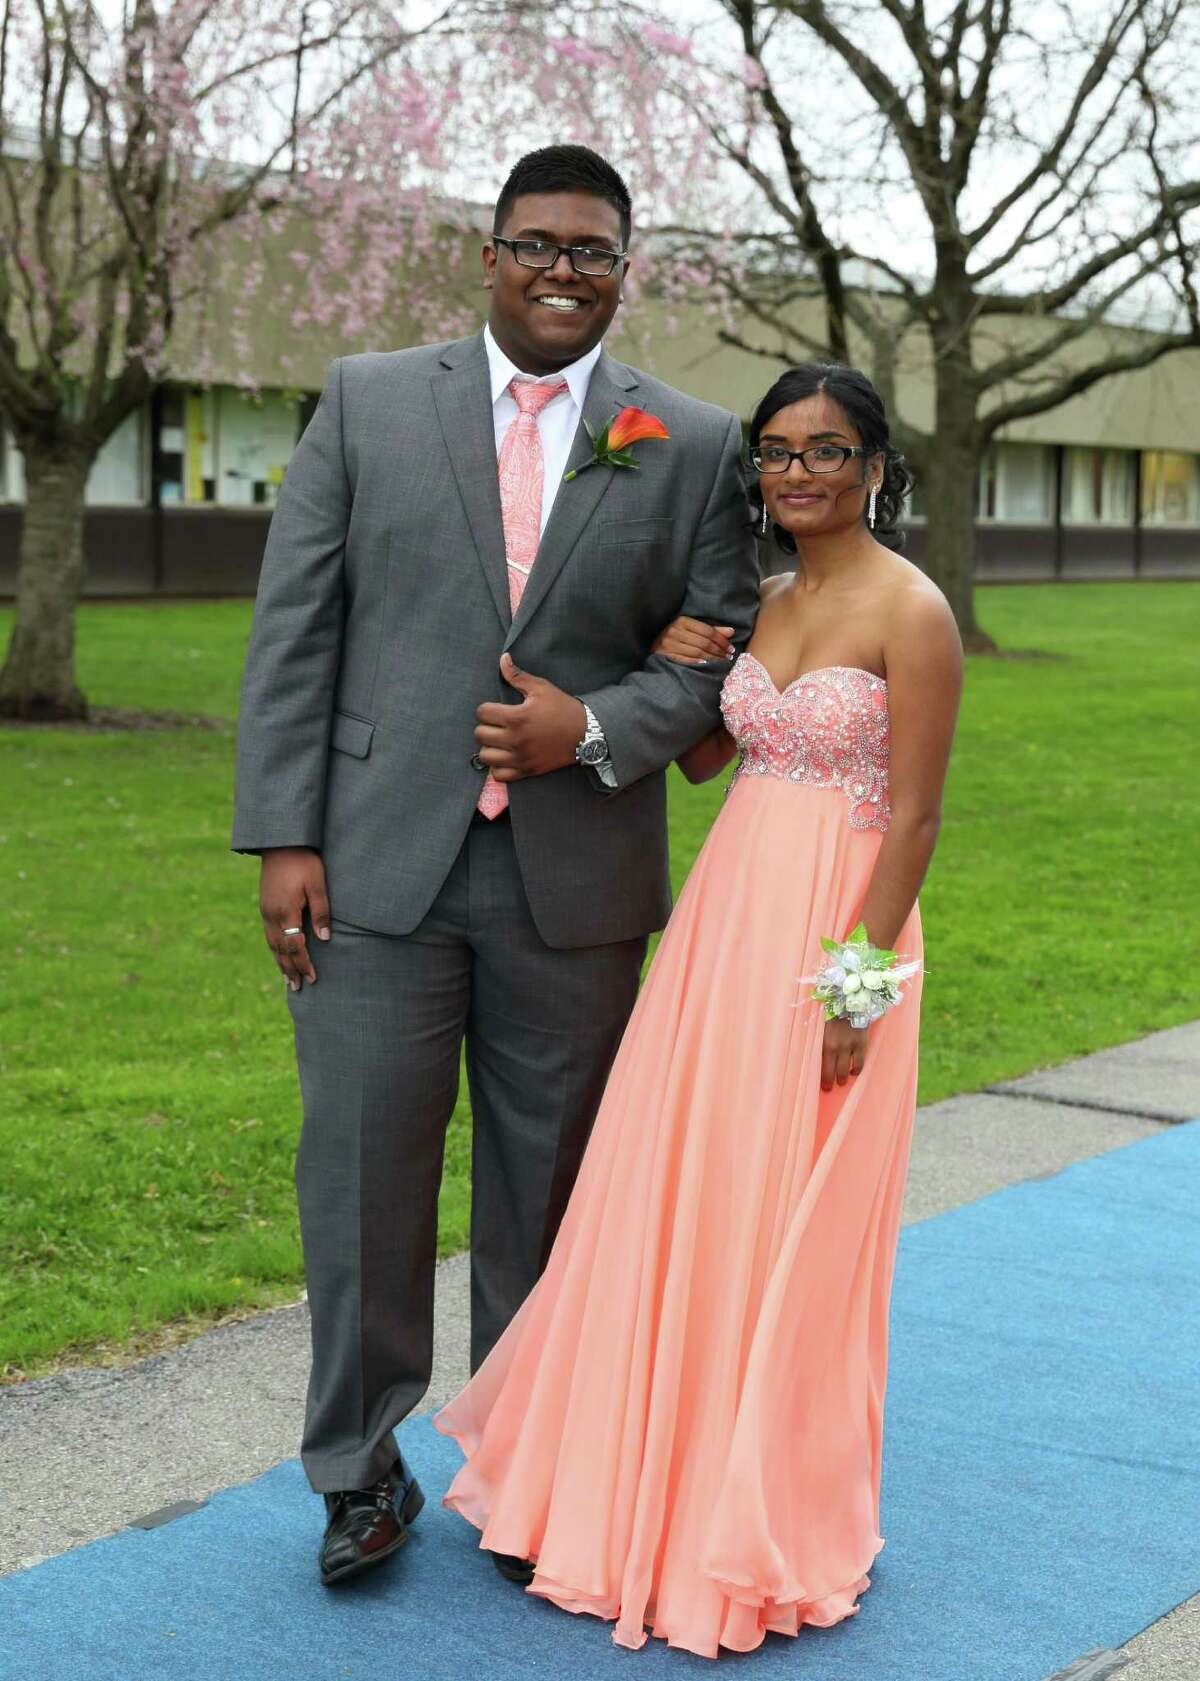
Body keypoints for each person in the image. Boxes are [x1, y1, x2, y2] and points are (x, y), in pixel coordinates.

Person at [230, 143, 759, 1588]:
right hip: (370, 871)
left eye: (592, 251)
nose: (562, 272)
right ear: (490, 253)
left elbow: (715, 652)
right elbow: (297, 630)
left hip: (574, 886)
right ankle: (356, 1471)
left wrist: (587, 725)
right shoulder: (367, 399)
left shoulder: (691, 440)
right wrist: (283, 832)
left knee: (553, 1195)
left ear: (625, 269)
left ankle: (528, 1472)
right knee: (359, 1181)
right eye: (538, 244)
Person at [436, 363, 963, 1657]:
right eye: (778, 452)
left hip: (837, 931)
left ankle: (754, 1508)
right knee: (685, 1188)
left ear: (877, 464)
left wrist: (858, 978)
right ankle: (631, 1481)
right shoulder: (768, 598)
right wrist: (670, 641)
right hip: (725, 926)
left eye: (827, 450)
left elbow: (915, 815)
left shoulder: (916, 610)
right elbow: (722, 747)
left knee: (785, 1213)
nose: (798, 472)